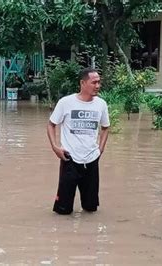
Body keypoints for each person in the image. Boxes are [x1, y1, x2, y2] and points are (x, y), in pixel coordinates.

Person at [47, 68, 110, 215]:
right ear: (82, 83)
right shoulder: (66, 102)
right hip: (69, 158)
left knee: (90, 208)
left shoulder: (101, 104)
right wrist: (55, 147)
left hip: (92, 159)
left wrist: (100, 149)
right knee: (63, 210)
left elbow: (106, 128)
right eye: (94, 82)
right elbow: (51, 125)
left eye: (99, 82)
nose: (98, 86)